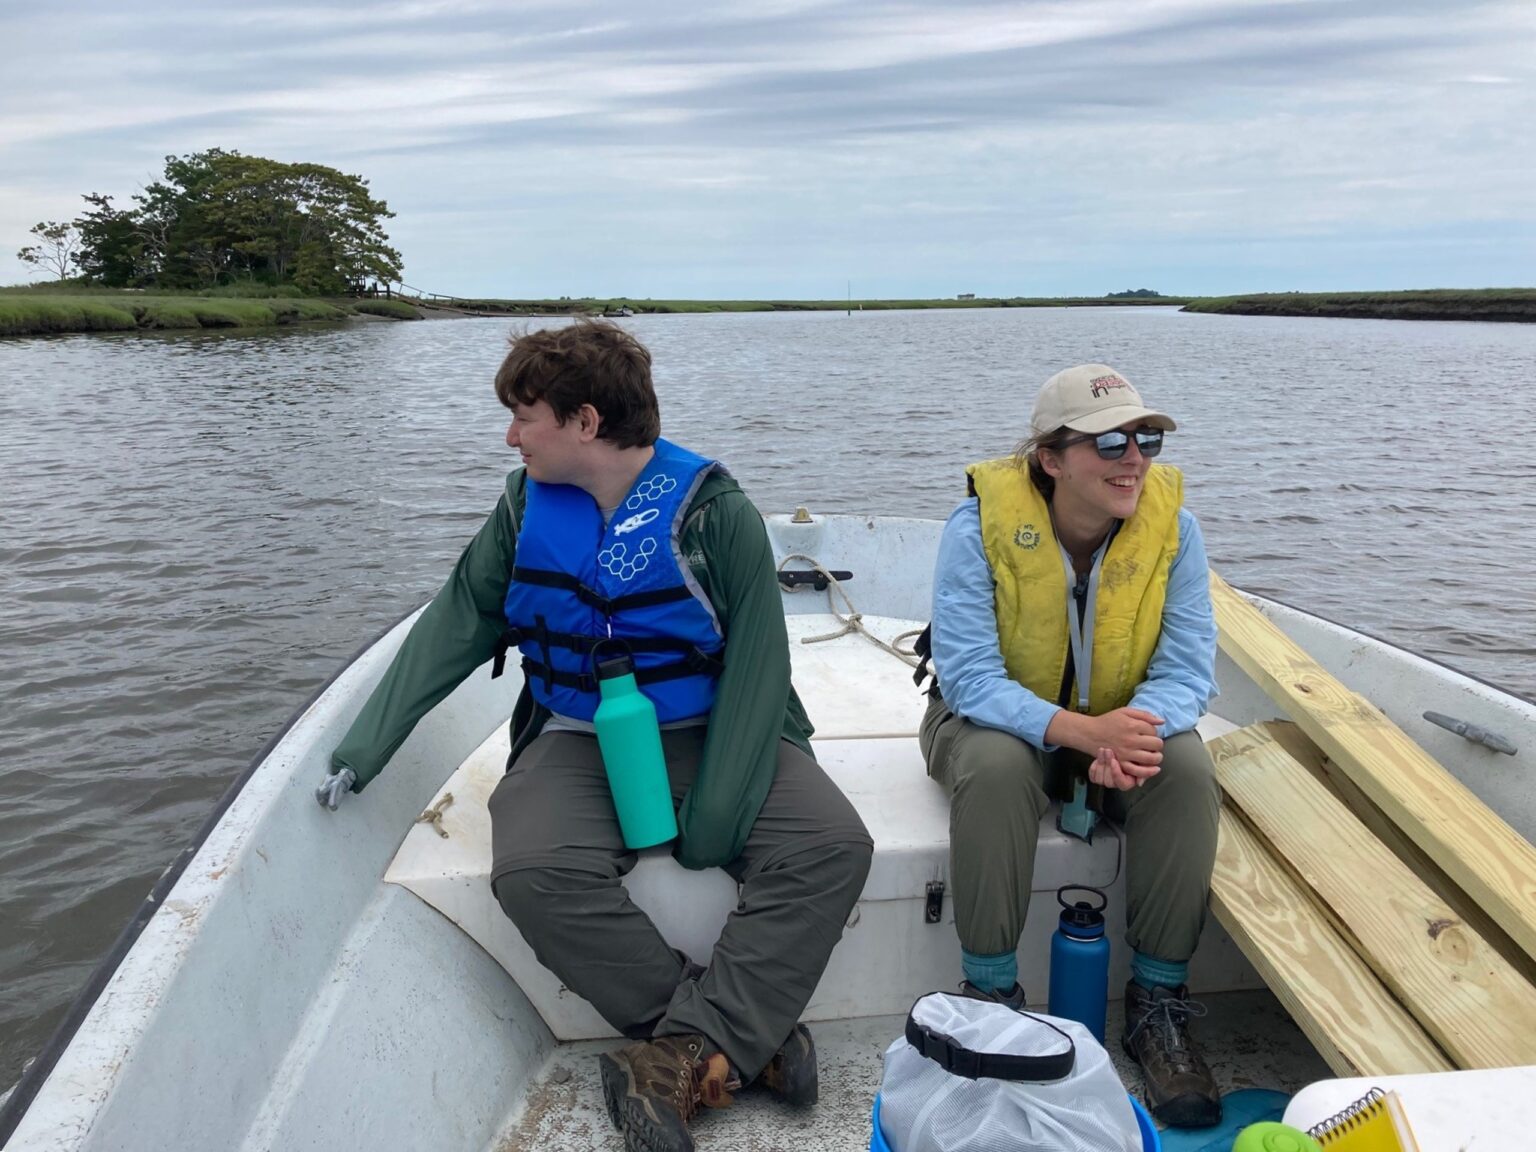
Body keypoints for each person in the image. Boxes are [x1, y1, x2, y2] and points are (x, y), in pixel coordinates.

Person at [315, 320, 873, 1152]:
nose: (511, 436)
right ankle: (723, 1043)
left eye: (524, 415)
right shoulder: (520, 507)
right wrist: (362, 751)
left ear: (584, 422)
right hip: (576, 735)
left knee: (832, 846)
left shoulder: (715, 513)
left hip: (716, 728)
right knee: (534, 873)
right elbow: (456, 623)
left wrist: (721, 806)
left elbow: (761, 667)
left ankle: (675, 1057)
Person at [919, 363, 1222, 1127]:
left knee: (1184, 767)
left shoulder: (1174, 532)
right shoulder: (978, 529)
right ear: (1051, 459)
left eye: (1145, 437)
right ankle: (991, 996)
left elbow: (1188, 669)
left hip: (1114, 731)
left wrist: (1131, 733)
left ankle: (1159, 1003)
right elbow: (969, 676)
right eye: (1109, 440)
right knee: (994, 766)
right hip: (987, 725)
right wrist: (1082, 733)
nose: (1134, 458)